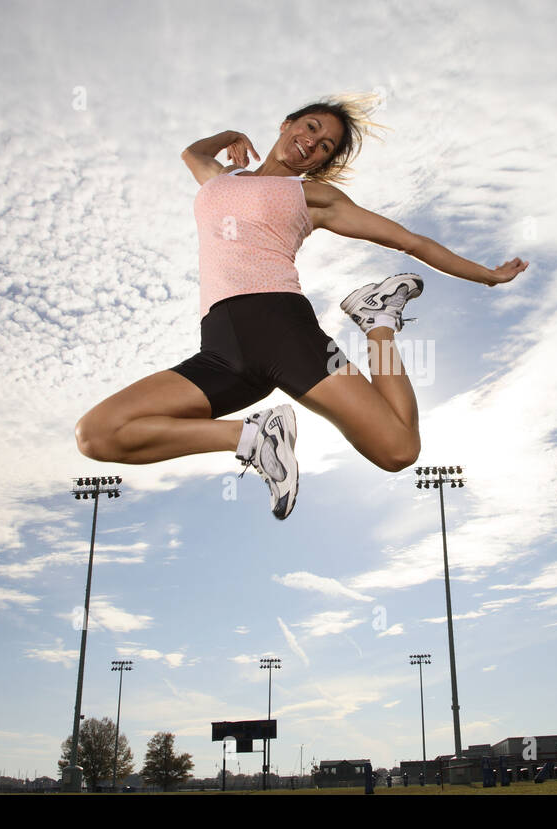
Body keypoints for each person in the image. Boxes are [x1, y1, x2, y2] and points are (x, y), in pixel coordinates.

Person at [75, 93, 528, 518]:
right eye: (309, 127)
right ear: (287, 124)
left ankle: (379, 321)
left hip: (279, 327)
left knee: (399, 450)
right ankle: (252, 437)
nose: (311, 142)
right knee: (98, 435)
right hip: (221, 349)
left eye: (324, 146)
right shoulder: (222, 179)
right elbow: (192, 154)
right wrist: (230, 135)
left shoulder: (313, 197)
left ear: (323, 163)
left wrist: (486, 275)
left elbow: (409, 240)